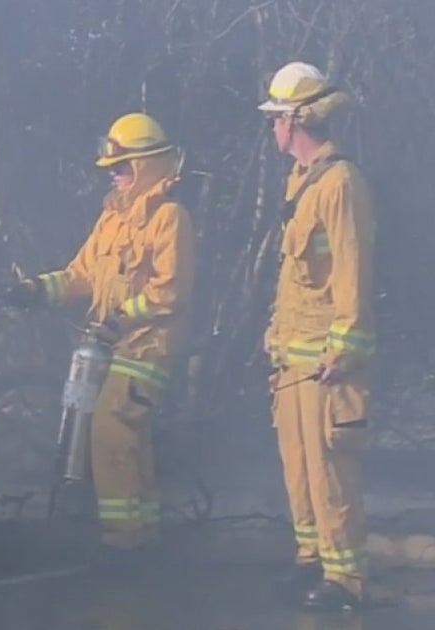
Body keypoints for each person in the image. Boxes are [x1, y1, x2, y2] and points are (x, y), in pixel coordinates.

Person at [6, 112, 195, 561]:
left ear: (146, 164)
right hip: (117, 343)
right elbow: (82, 274)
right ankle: (143, 532)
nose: (114, 174)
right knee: (129, 438)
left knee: (111, 427)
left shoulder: (169, 218)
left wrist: (121, 319)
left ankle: (122, 540)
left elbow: (170, 290)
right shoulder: (112, 219)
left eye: (121, 166)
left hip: (148, 344)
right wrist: (37, 290)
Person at [258, 61, 376, 610]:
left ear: (295, 121)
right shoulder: (300, 182)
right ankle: (311, 561)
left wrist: (345, 345)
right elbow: (295, 276)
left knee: (331, 471)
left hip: (327, 363)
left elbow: (353, 269)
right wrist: (275, 332)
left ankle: (345, 580)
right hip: (294, 360)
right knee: (300, 469)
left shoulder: (340, 184)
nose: (273, 128)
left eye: (276, 118)